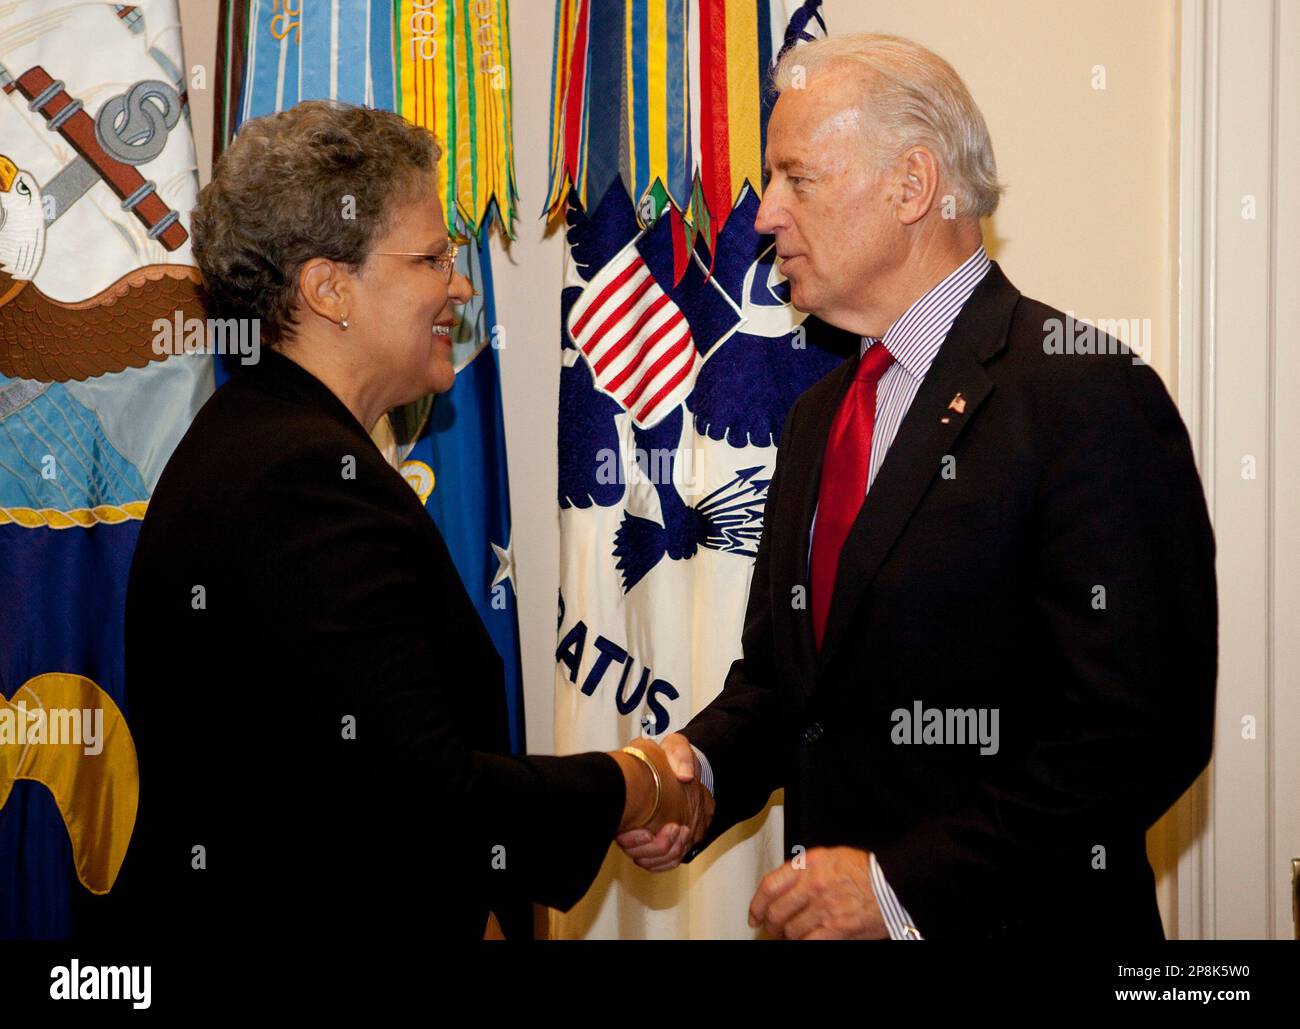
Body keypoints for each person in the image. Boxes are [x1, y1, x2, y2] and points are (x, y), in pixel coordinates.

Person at [618, 33, 1217, 940]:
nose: (764, 213)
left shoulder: (1083, 391)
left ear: (912, 184)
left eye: (795, 177)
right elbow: (791, 687)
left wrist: (899, 890)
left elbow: (1137, 734)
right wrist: (695, 770)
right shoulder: (823, 411)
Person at [120, 100, 711, 943]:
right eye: (433, 257)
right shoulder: (302, 479)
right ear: (329, 289)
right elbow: (421, 799)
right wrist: (635, 782)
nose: (461, 284)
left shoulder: (260, 442)